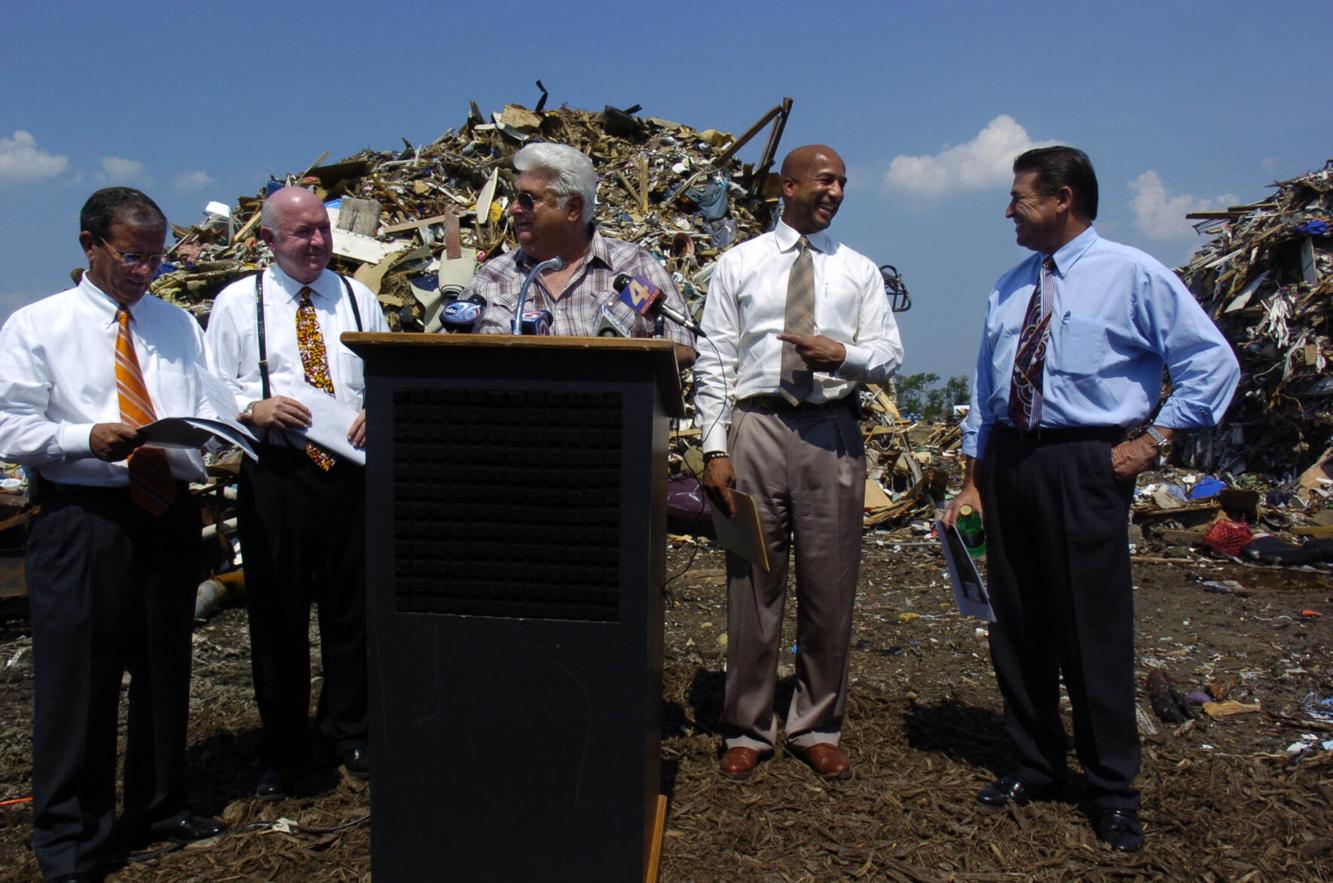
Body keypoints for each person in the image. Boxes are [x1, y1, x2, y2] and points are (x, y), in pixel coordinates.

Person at [945, 146, 1240, 853]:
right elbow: (987, 393)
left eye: (1018, 197)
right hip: (1012, 459)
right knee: (1016, 621)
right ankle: (1036, 762)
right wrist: (971, 482)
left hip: (1086, 461)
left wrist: (1153, 440)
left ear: (1062, 199)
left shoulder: (1132, 273)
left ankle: (1111, 787)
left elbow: (1211, 363)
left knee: (1091, 624)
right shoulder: (1009, 286)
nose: (1008, 210)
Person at [0, 187, 225, 881]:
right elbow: (10, 425)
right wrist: (83, 435)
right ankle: (72, 835)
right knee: (79, 681)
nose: (144, 271)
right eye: (131, 256)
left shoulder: (177, 323)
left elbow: (210, 402)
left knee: (163, 668)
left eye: (156, 258)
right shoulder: (36, 326)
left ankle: (157, 804)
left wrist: (215, 435)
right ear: (89, 244)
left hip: (165, 513)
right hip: (82, 518)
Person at [694, 145, 903, 781]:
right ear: (787, 186)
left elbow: (890, 354)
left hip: (830, 432)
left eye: (843, 180)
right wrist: (714, 446)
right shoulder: (739, 263)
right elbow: (715, 359)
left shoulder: (859, 271)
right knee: (752, 581)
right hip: (757, 426)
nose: (836, 190)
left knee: (830, 586)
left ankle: (817, 724)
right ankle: (749, 728)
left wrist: (843, 355)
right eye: (824, 179)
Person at [205, 186, 388, 800]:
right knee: (277, 614)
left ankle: (349, 730)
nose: (315, 244)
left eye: (322, 231)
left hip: (351, 477)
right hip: (277, 477)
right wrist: (251, 407)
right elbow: (209, 390)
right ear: (267, 241)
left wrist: (379, 411)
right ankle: (283, 745)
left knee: (352, 609)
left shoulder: (358, 299)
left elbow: (385, 377)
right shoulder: (238, 304)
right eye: (301, 233)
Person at [469, 142, 697, 367]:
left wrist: (605, 368)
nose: (514, 209)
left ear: (574, 208)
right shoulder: (492, 277)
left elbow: (682, 347)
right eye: (515, 196)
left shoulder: (633, 266)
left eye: (528, 199)